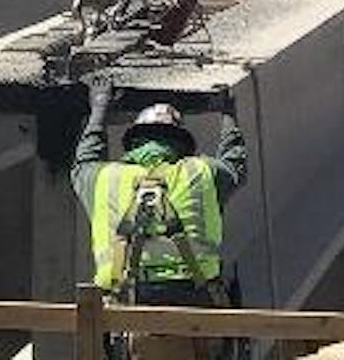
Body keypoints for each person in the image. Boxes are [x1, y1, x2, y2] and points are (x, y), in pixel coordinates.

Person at [70, 84, 247, 358]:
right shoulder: (201, 173)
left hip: (125, 310)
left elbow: (84, 162)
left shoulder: (105, 179)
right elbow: (236, 165)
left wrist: (99, 110)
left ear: (134, 143)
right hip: (196, 304)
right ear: (182, 145)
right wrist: (228, 115)